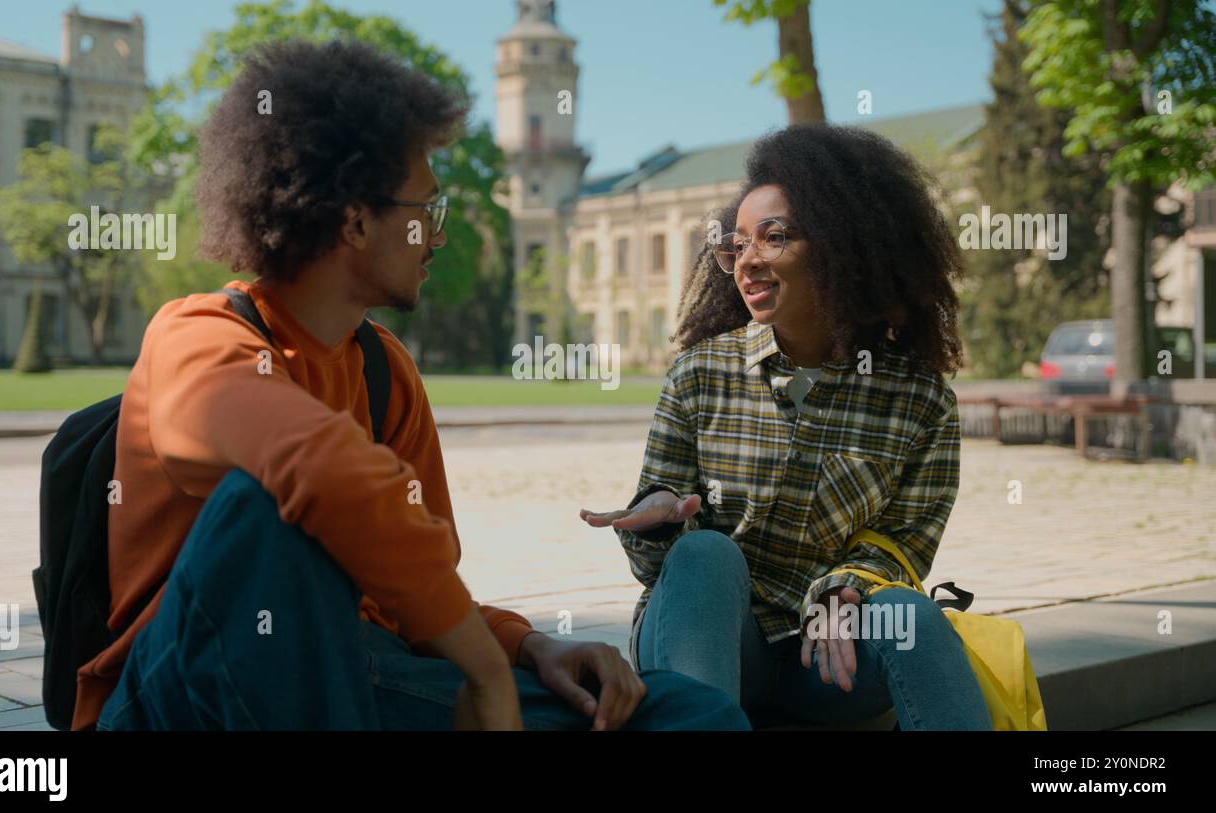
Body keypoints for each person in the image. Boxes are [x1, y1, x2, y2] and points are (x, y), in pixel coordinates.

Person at [83, 38, 748, 732]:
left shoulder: (384, 374)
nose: (438, 237)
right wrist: (488, 677)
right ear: (356, 218)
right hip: (193, 686)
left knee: (688, 713)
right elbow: (317, 471)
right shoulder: (197, 337)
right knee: (267, 507)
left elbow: (414, 594)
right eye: (426, 211)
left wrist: (531, 646)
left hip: (369, 673)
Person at [581, 124, 991, 730]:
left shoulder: (919, 401)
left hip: (827, 658)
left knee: (914, 614)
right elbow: (655, 572)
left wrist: (841, 591)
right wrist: (657, 516)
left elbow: (903, 544)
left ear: (842, 245)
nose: (747, 260)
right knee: (704, 553)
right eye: (737, 244)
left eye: (772, 238)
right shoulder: (700, 374)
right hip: (709, 645)